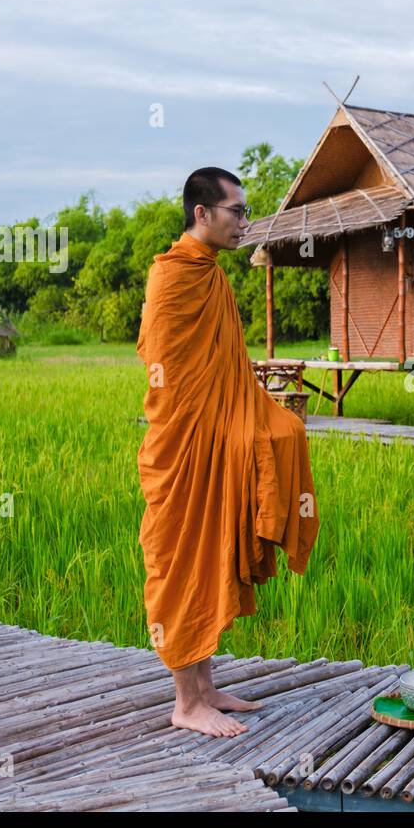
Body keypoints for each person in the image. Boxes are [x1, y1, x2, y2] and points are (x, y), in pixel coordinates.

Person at [136, 167, 320, 738]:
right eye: (237, 211)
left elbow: (228, 371)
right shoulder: (172, 278)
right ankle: (185, 703)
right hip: (185, 448)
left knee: (282, 436)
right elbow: (170, 376)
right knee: (185, 556)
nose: (246, 221)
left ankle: (206, 685)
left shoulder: (211, 276)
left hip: (215, 434)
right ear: (202, 214)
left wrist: (252, 422)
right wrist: (215, 431)